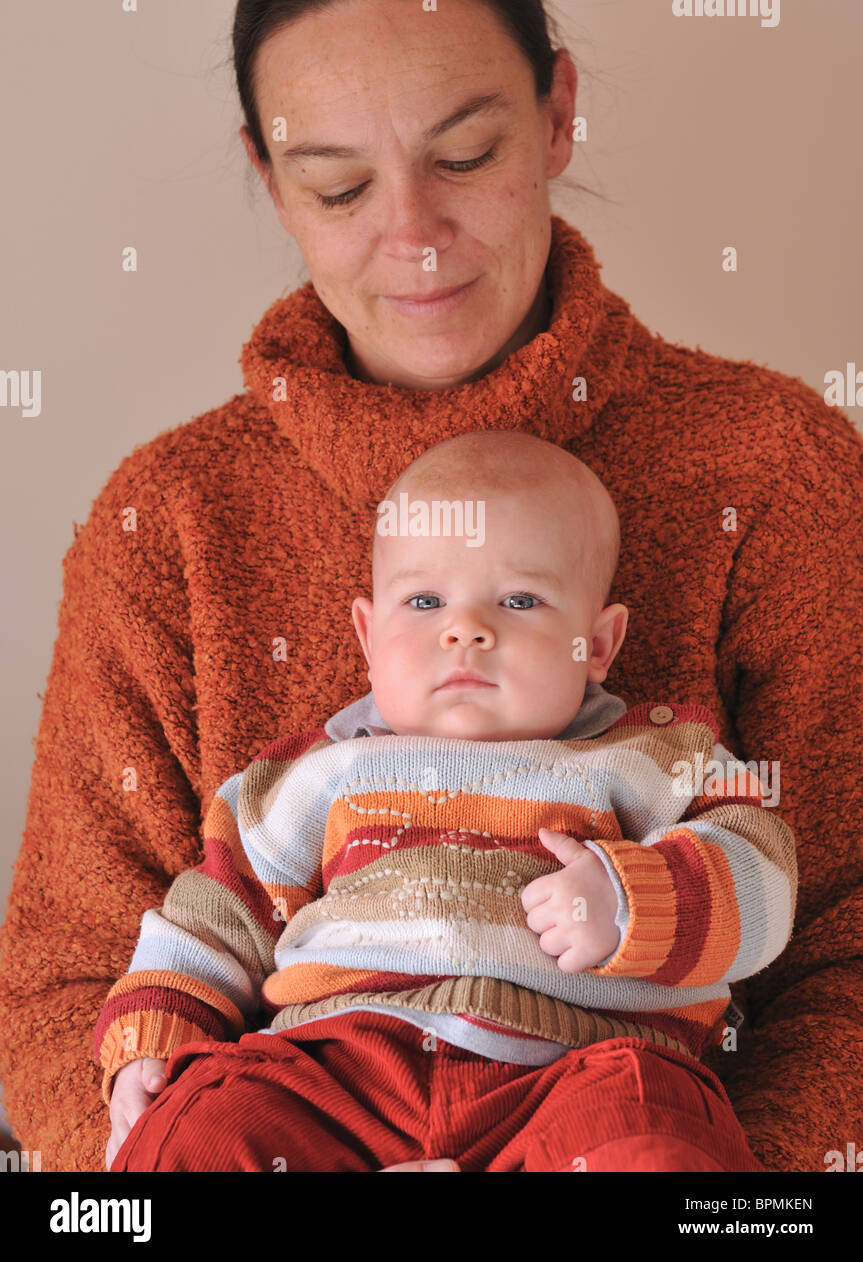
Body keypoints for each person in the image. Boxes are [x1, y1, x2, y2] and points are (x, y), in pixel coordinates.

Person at [0, 0, 860, 1175]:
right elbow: (66, 981)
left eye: (461, 156)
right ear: (265, 174)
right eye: (335, 184)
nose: (409, 237)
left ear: (557, 110)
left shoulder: (776, 463)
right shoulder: (163, 522)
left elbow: (846, 942)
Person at [100, 431, 796, 1172]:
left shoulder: (659, 756)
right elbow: (210, 921)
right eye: (425, 600)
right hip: (332, 1075)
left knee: (657, 1147)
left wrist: (634, 900)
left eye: (520, 600)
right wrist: (152, 1041)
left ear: (596, 644)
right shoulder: (313, 774)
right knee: (198, 1132)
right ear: (369, 636)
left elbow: (763, 876)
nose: (465, 630)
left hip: (581, 1071)